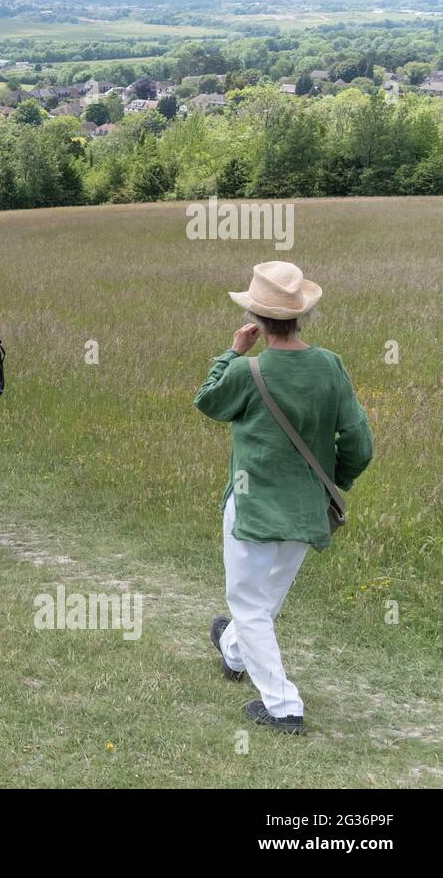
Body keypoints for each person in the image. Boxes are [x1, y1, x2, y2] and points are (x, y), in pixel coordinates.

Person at [194, 261, 373, 735]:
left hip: (252, 506)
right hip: (305, 507)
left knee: (249, 602)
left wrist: (231, 352)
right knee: (264, 597)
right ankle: (233, 650)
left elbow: (208, 401)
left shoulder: (249, 369)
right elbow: (358, 442)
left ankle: (282, 706)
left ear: (257, 316)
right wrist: (339, 482)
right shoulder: (330, 364)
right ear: (301, 316)